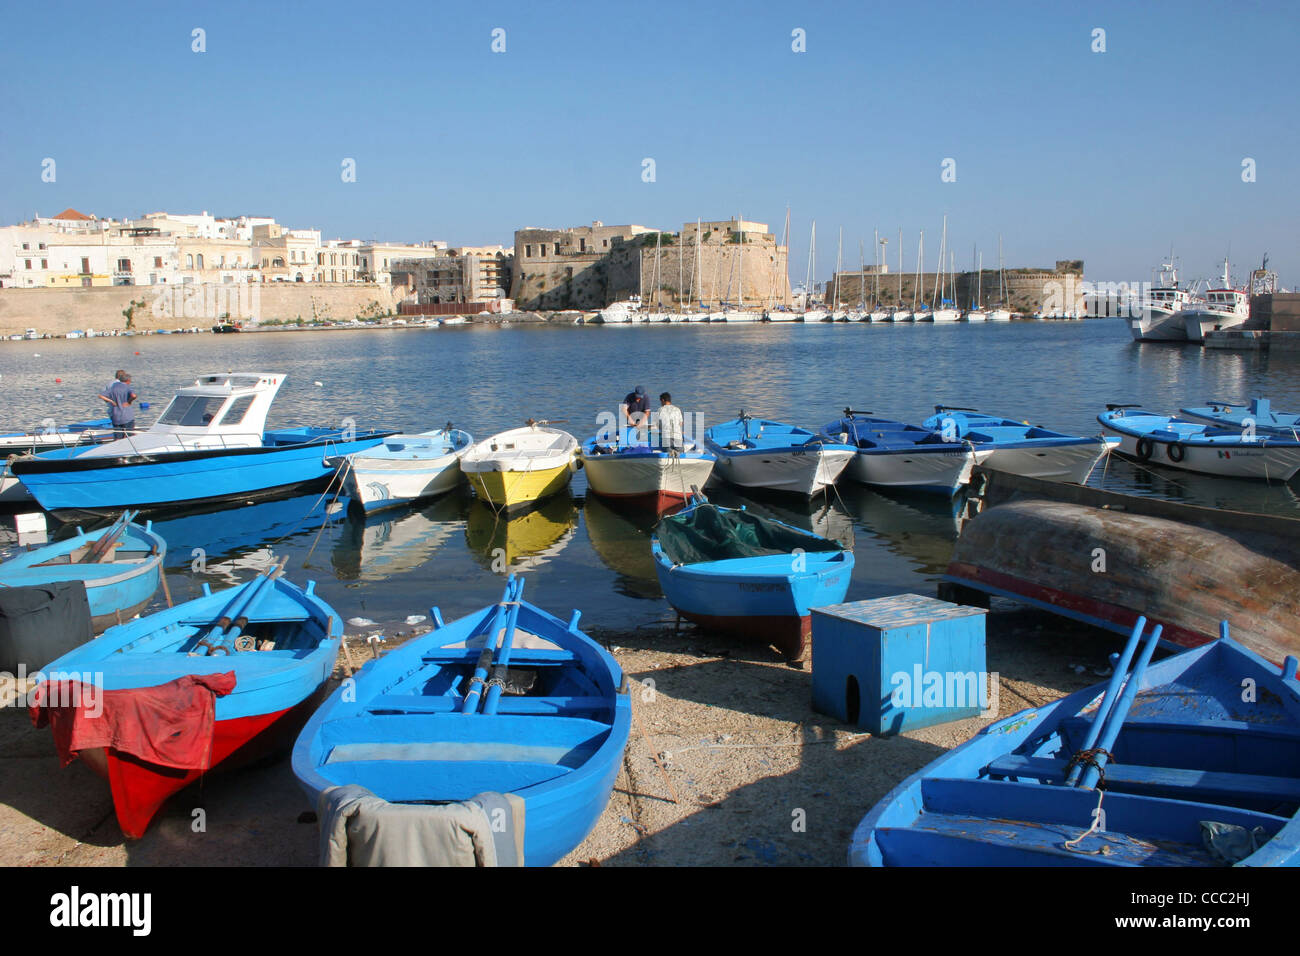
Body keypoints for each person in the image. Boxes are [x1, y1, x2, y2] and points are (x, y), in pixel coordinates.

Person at [99, 370, 137, 439]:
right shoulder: (127, 387)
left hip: (115, 415)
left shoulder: (112, 386)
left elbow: (101, 395)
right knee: (129, 436)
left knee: (118, 437)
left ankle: (118, 447)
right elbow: (134, 396)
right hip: (127, 415)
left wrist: (111, 401)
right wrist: (129, 402)